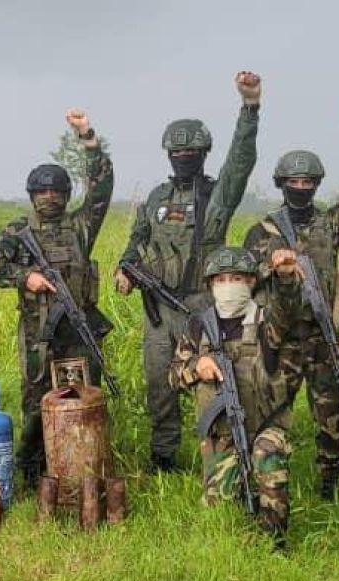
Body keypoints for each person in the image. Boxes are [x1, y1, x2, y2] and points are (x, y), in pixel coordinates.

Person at [115, 71, 263, 474]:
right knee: (160, 386)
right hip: (158, 312)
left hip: (202, 307)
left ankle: (220, 457)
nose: (184, 158)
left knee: (210, 380)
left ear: (204, 153)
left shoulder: (215, 196)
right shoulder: (157, 197)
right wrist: (125, 269)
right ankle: (164, 460)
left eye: (192, 152)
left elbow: (240, 164)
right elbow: (137, 238)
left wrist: (250, 108)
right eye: (177, 153)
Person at [241, 109, 339, 501]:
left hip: (322, 336)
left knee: (330, 416)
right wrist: (273, 264)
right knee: (270, 411)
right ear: (282, 184)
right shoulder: (262, 230)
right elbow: (244, 275)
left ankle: (330, 483)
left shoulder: (328, 225)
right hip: (280, 337)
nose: (301, 187)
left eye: (307, 181)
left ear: (316, 185)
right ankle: (266, 477)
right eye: (294, 181)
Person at [0, 108, 113, 489]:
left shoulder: (81, 226)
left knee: (82, 400)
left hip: (79, 330)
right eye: (42, 191)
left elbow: (102, 188)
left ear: (67, 194)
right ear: (32, 196)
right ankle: (31, 473)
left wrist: (88, 138)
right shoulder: (19, 230)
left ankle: (83, 470)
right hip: (39, 332)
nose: (49, 197)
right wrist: (25, 277)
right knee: (36, 401)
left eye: (56, 191)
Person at [170, 246, 300, 547]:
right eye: (221, 279)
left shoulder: (268, 322)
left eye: (237, 278)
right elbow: (173, 375)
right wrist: (195, 365)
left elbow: (290, 307)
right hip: (222, 433)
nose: (229, 286)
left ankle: (275, 541)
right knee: (219, 508)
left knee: (267, 457)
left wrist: (286, 277)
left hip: (266, 425)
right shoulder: (198, 326)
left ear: (252, 282)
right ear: (211, 285)